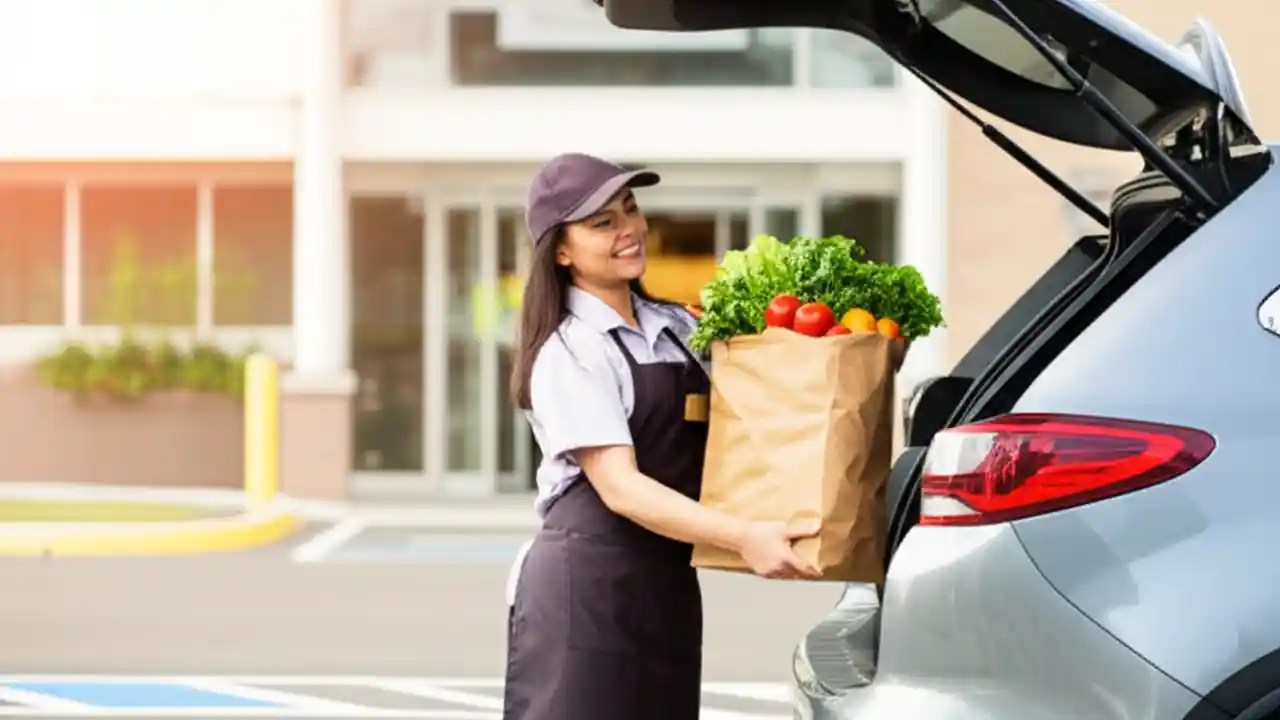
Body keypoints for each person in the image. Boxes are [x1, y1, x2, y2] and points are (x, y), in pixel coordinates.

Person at [502, 152, 822, 720]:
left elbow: (763, 402)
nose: (629, 229)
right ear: (561, 250)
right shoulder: (571, 351)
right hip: (586, 591)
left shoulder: (678, 328)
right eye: (602, 223)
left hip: (666, 584)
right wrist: (743, 535)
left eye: (631, 209)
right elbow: (621, 488)